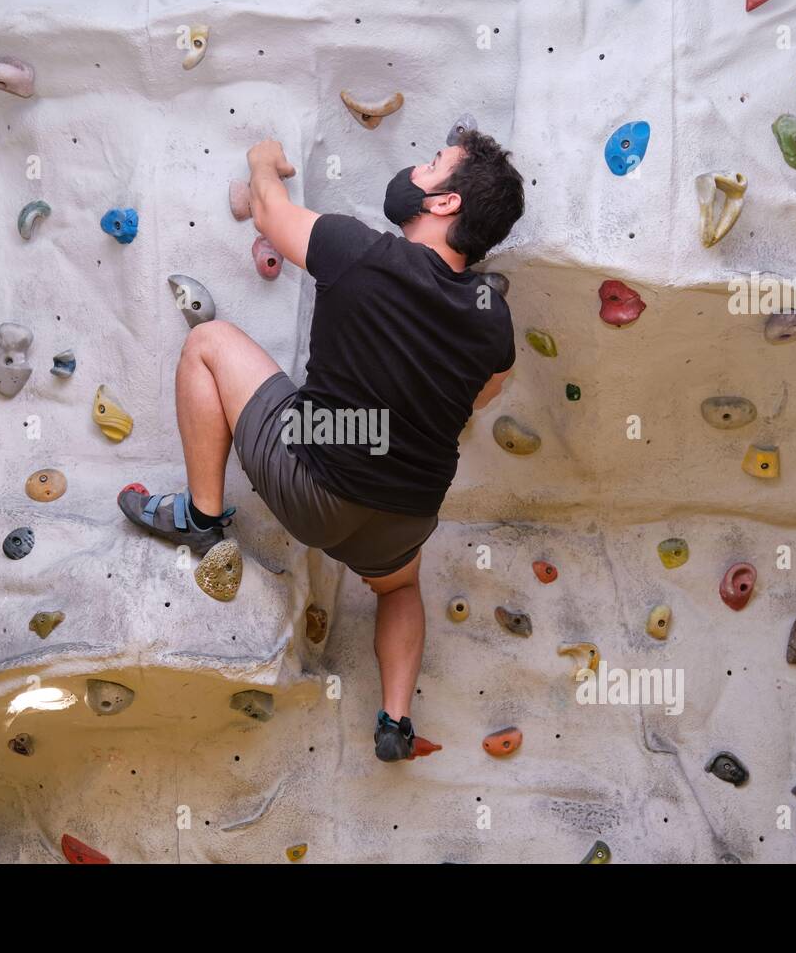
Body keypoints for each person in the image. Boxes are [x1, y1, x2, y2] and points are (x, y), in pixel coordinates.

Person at [120, 131, 525, 761]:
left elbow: (270, 212)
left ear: (445, 204)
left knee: (209, 342)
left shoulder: (358, 250)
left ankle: (201, 518)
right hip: (402, 519)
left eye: (432, 165)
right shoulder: (492, 320)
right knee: (397, 590)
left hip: (314, 482)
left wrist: (261, 158)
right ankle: (394, 722)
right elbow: (484, 395)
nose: (417, 169)